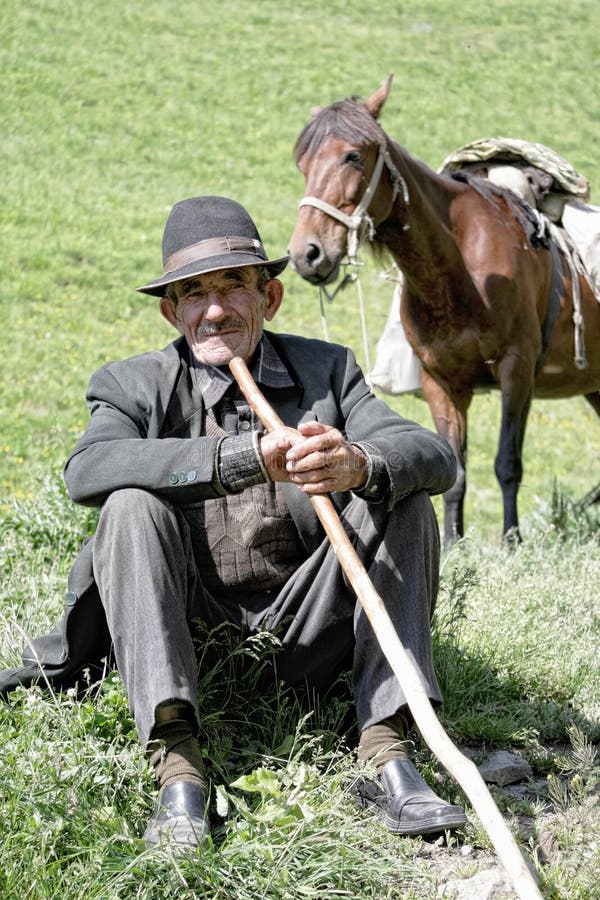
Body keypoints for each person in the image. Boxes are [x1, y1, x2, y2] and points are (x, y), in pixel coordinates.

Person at [0, 195, 466, 850]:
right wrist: (238, 459)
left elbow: (435, 455)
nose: (215, 310)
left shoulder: (328, 371)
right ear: (172, 312)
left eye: (233, 287)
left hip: (310, 631)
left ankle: (387, 751)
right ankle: (179, 772)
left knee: (404, 495)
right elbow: (88, 469)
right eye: (194, 293)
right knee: (130, 505)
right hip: (189, 636)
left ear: (269, 297)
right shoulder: (133, 384)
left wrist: (358, 463)